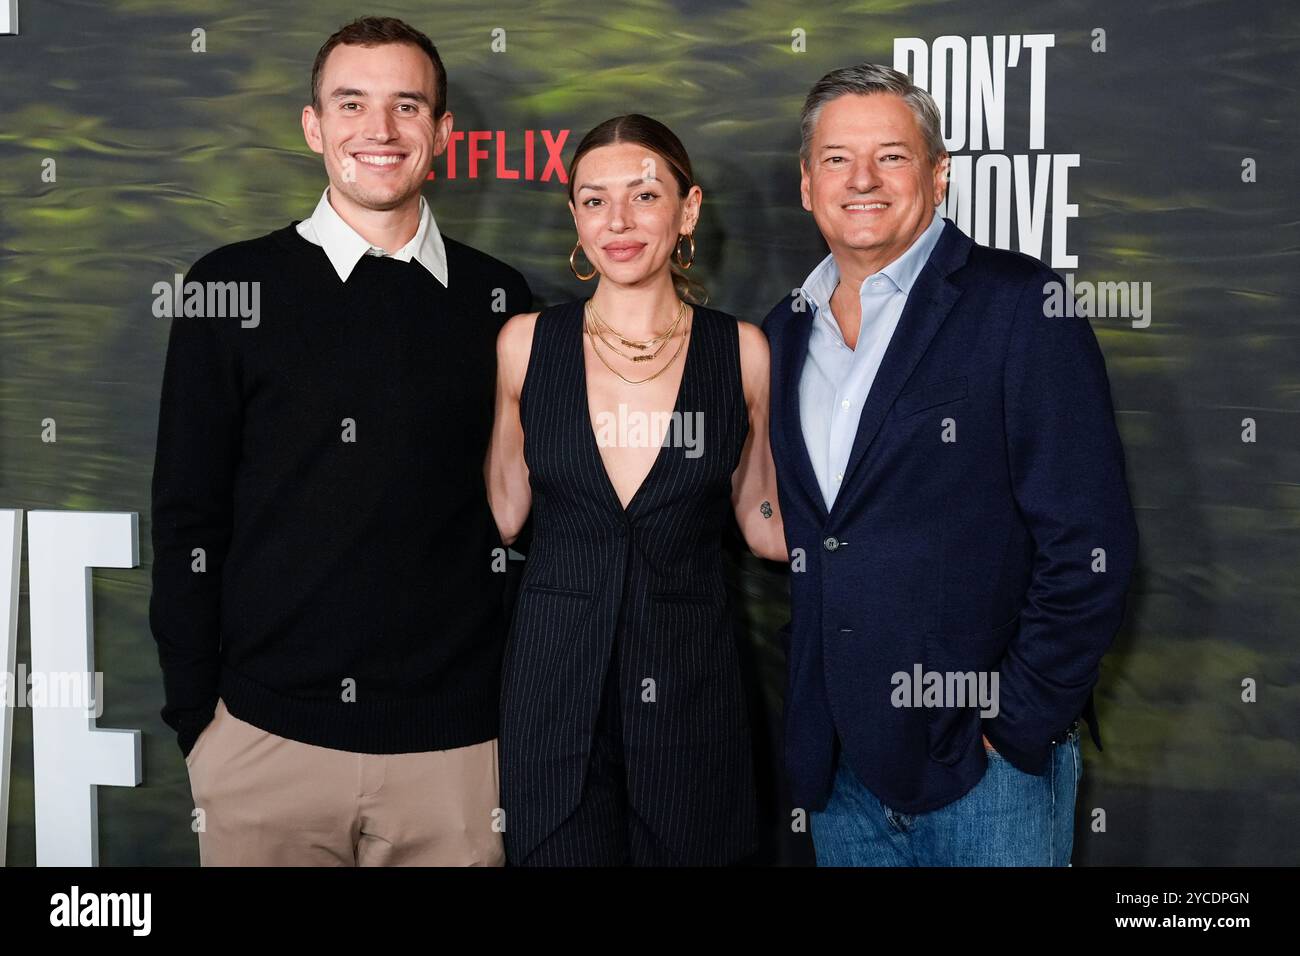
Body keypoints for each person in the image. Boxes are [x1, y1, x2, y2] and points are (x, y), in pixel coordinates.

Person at [150, 16, 531, 865]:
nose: (380, 130)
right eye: (351, 103)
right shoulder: (230, 287)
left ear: (443, 132)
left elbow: (524, 517)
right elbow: (186, 516)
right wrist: (197, 724)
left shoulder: (500, 299)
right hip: (263, 747)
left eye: (407, 105)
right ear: (314, 126)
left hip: (457, 758)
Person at [763, 64, 1138, 866]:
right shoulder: (783, 332)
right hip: (841, 776)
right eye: (836, 159)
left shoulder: (1020, 305)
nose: (861, 179)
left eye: (891, 156)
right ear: (805, 183)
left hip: (983, 775)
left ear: (938, 177)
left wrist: (1016, 726)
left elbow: (1089, 544)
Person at [485, 114, 786, 865]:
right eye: (594, 200)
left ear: (687, 211)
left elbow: (765, 522)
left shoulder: (742, 352)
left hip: (692, 695)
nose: (617, 221)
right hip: (553, 701)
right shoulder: (525, 343)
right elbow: (506, 513)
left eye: (644, 196)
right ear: (576, 218)